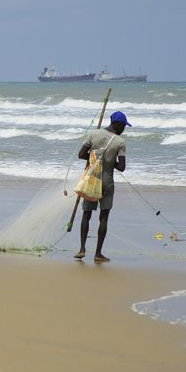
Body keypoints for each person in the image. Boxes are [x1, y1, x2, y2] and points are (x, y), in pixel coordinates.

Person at [75, 111, 129, 262]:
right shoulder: (120, 142)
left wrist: (94, 160)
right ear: (117, 124)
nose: (124, 129)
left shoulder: (93, 134)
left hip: (92, 179)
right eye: (124, 125)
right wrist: (110, 163)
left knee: (87, 214)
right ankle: (98, 254)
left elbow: (81, 154)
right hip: (107, 182)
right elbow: (122, 167)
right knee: (103, 217)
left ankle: (82, 249)